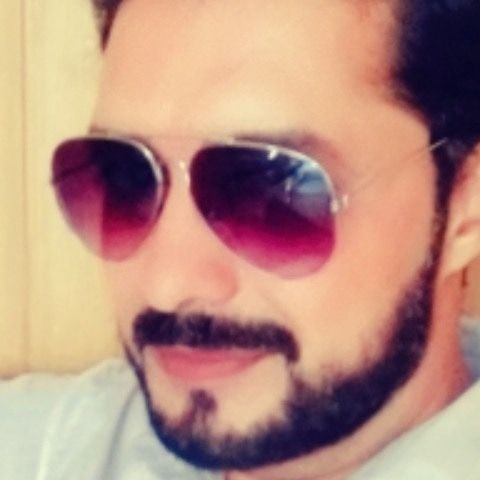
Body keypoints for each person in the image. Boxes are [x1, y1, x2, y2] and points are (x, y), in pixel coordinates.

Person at [2, 0, 480, 479]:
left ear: (467, 207)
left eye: (271, 193)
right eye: (123, 179)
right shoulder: (51, 448)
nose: (166, 287)